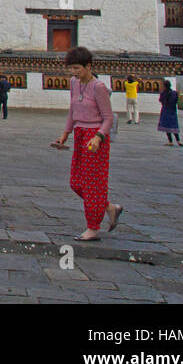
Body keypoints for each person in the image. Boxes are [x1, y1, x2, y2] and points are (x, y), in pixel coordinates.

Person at [52, 47, 123, 242]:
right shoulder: (74, 83)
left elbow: (108, 118)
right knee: (76, 182)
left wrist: (98, 137)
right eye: (71, 68)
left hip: (96, 137)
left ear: (88, 66)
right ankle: (109, 207)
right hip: (80, 134)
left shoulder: (98, 87)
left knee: (92, 184)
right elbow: (72, 110)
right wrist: (65, 133)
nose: (74, 72)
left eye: (77, 68)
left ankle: (93, 227)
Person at [157, 80, 183, 146]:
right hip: (173, 110)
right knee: (174, 126)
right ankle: (178, 141)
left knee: (167, 126)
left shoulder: (163, 93)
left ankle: (170, 141)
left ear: (164, 86)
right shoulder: (174, 93)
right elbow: (177, 101)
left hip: (165, 110)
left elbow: (160, 100)